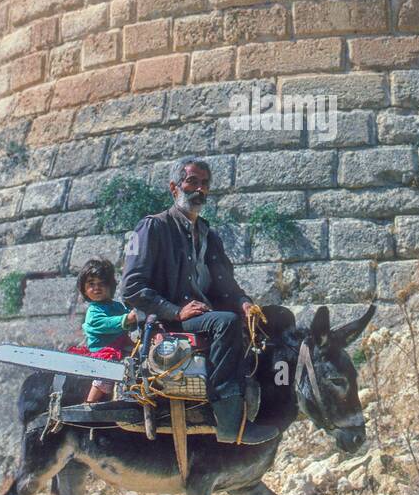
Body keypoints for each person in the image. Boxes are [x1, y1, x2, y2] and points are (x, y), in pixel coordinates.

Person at [121, 157, 275, 445]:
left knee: (271, 319)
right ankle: (231, 424)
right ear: (173, 187)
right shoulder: (152, 227)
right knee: (225, 324)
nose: (199, 189)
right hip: (168, 319)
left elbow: (226, 285)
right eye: (192, 181)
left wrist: (243, 302)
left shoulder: (209, 234)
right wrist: (176, 310)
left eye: (205, 184)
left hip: (202, 314)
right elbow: (131, 287)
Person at [73, 258, 139, 404]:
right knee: (105, 374)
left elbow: (130, 317)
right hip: (104, 350)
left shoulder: (117, 306)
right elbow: (105, 324)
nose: (97, 287)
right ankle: (90, 402)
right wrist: (127, 319)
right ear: (84, 289)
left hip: (121, 346)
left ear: (111, 286)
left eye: (102, 283)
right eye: (91, 284)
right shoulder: (93, 311)